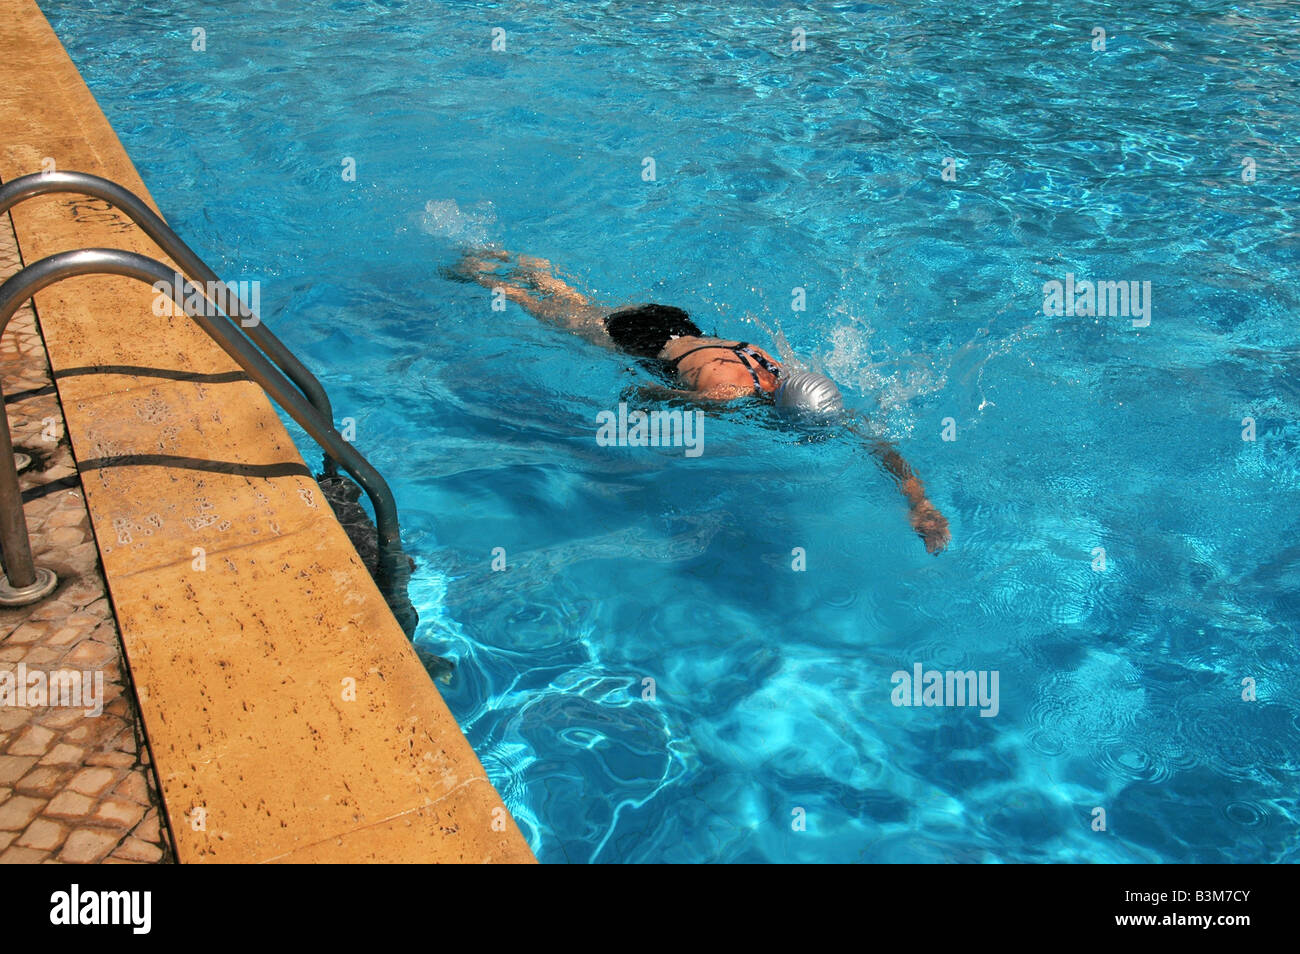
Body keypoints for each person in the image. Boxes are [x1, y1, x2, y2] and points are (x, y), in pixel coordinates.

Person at [449, 249, 951, 554]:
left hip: (680, 324)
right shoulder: (725, 395)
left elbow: (879, 446)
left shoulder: (784, 375)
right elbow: (651, 391)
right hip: (645, 344)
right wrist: (641, 408)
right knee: (564, 320)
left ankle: (533, 266)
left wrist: (920, 503)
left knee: (583, 304)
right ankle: (490, 279)